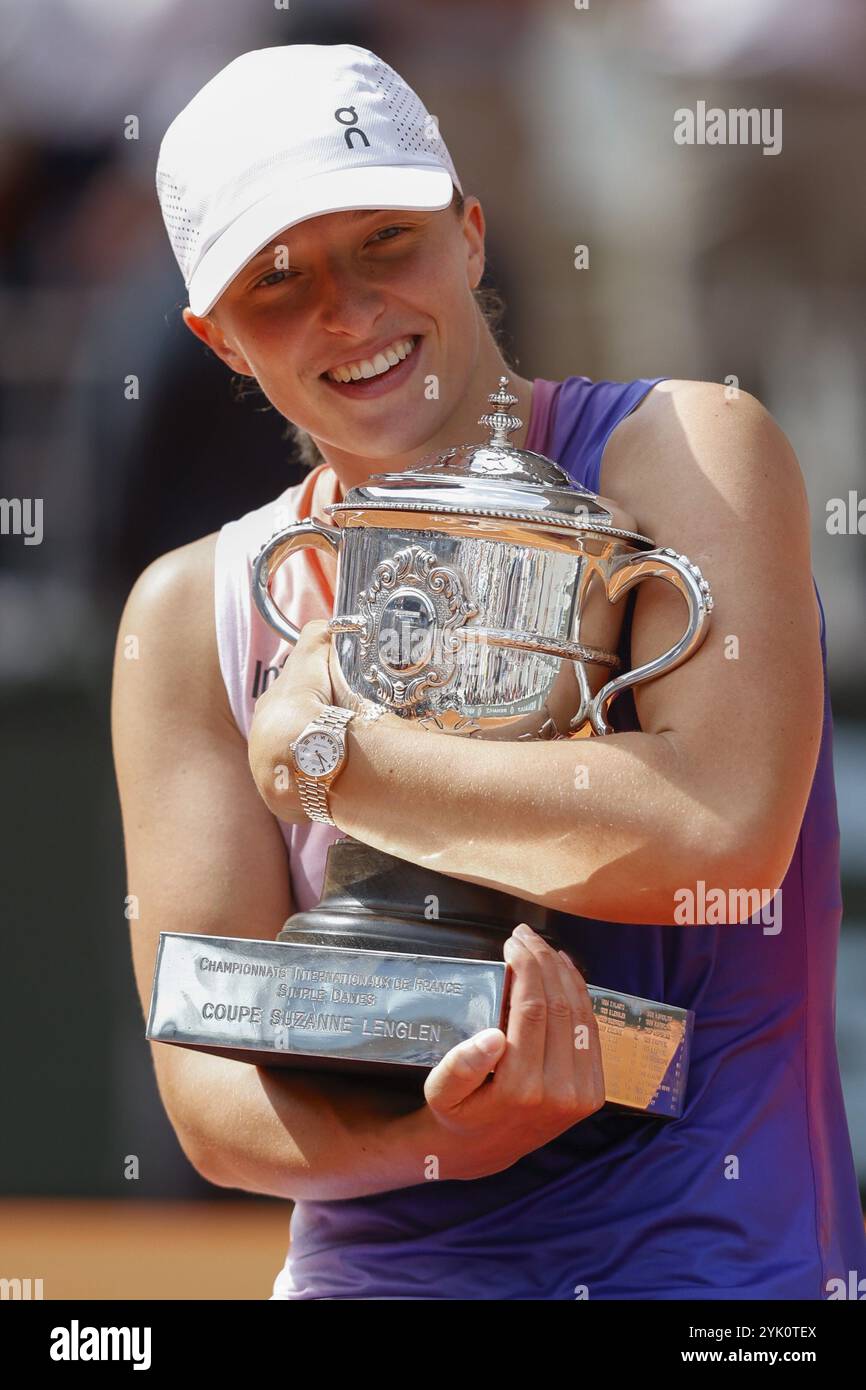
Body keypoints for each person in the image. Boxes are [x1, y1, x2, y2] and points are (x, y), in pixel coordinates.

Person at [111, 43, 866, 1300]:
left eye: (382, 243)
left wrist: (335, 759)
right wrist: (438, 1142)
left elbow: (719, 838)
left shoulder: (688, 448)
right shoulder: (189, 609)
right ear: (218, 338)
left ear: (468, 234)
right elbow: (208, 1085)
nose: (346, 312)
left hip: (726, 1287)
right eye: (276, 281)